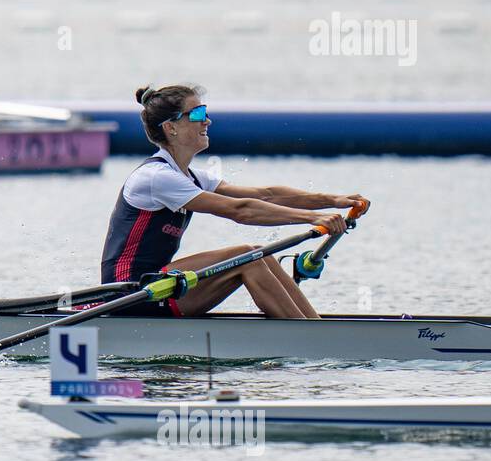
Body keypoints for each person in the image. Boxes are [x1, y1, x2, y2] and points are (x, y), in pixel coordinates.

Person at [101, 84, 371, 319]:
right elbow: (239, 210)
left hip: (160, 286)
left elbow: (264, 195)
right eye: (197, 114)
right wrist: (314, 219)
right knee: (248, 256)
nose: (207, 121)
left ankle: (315, 328)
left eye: (205, 113)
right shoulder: (155, 177)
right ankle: (312, 339)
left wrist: (333, 200)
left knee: (257, 252)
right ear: (171, 127)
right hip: (132, 294)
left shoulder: (192, 177)